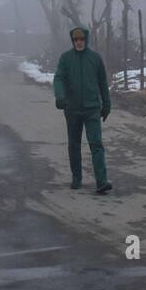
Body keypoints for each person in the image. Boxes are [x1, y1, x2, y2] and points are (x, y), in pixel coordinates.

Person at [53, 25, 112, 194]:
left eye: (81, 39)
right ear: (73, 41)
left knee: (96, 143)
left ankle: (101, 181)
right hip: (72, 109)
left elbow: (103, 83)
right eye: (76, 40)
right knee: (74, 144)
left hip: (92, 108)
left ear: (86, 40)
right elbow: (59, 78)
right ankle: (77, 178)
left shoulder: (95, 58)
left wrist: (106, 105)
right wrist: (60, 96)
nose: (79, 42)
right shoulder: (66, 58)